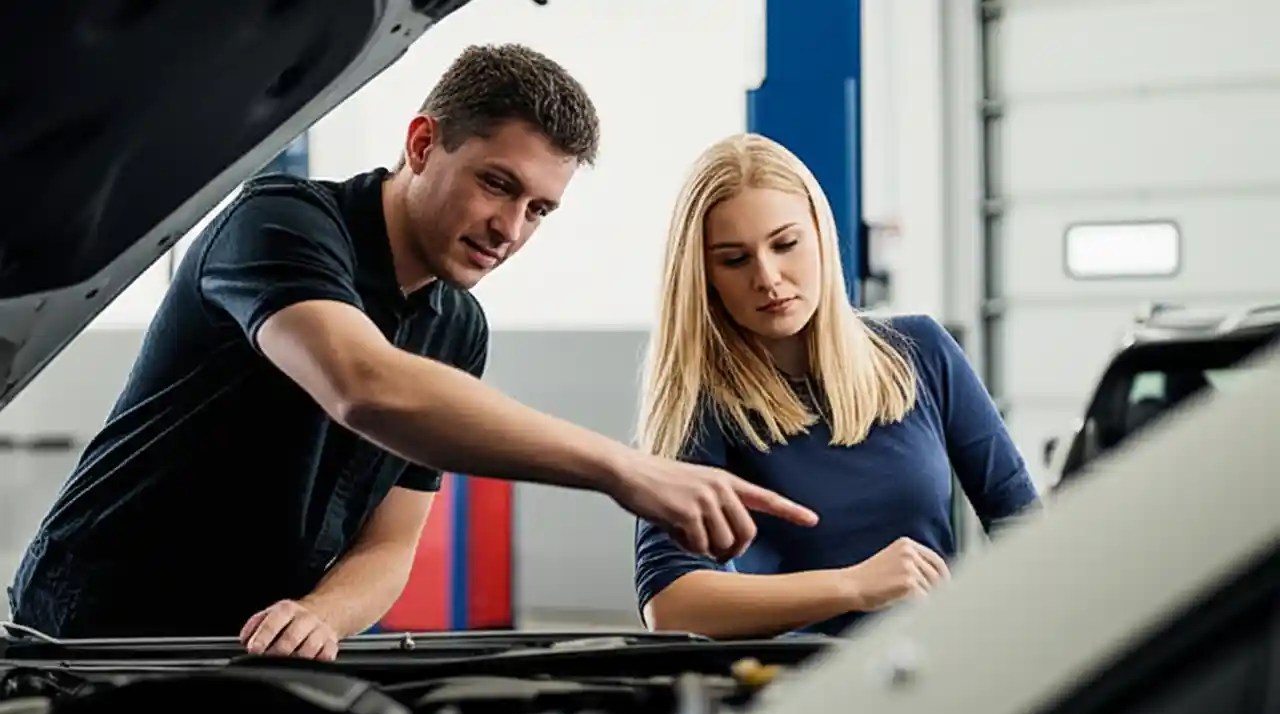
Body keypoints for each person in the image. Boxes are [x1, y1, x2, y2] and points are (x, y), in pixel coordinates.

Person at [6, 45, 817, 658]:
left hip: (246, 645)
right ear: (424, 143)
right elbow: (362, 384)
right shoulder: (281, 222)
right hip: (98, 639)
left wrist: (325, 613)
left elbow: (391, 544)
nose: (510, 230)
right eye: (497, 184)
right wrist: (623, 467)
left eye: (539, 209)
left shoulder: (457, 327)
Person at [632, 132, 1042, 640]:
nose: (768, 277)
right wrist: (854, 586)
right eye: (735, 259)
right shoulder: (702, 401)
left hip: (937, 672)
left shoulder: (921, 351)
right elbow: (672, 605)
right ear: (704, 275)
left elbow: (1022, 525)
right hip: (798, 691)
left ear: (821, 236)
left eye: (785, 244)